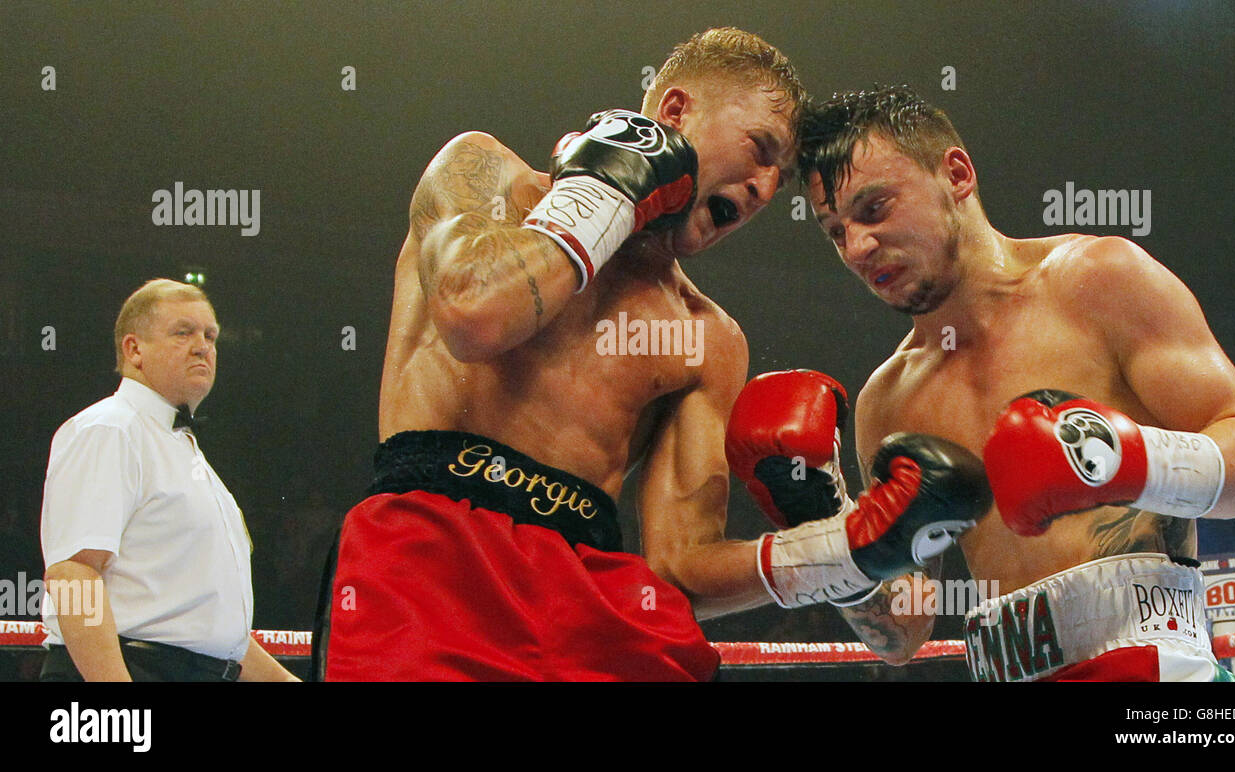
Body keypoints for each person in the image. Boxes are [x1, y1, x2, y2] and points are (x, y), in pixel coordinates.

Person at [316, 29, 987, 681]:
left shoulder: (705, 336)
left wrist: (842, 545)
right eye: (757, 149)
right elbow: (475, 313)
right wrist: (606, 190)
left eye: (774, 181)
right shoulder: (490, 178)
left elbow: (679, 570)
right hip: (428, 564)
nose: (759, 187)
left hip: (587, 598)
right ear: (672, 111)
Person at [789, 85, 1235, 681]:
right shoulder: (888, 401)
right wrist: (816, 515)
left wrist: (1119, 460)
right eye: (835, 231)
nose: (858, 247)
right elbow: (901, 630)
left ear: (956, 174)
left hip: (1155, 668)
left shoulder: (1098, 282)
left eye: (874, 209)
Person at [39, 278, 297, 682]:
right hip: (129, 671)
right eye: (183, 332)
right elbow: (73, 574)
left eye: (210, 335)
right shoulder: (110, 429)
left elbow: (211, 634)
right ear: (134, 349)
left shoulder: (184, 452)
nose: (203, 345)